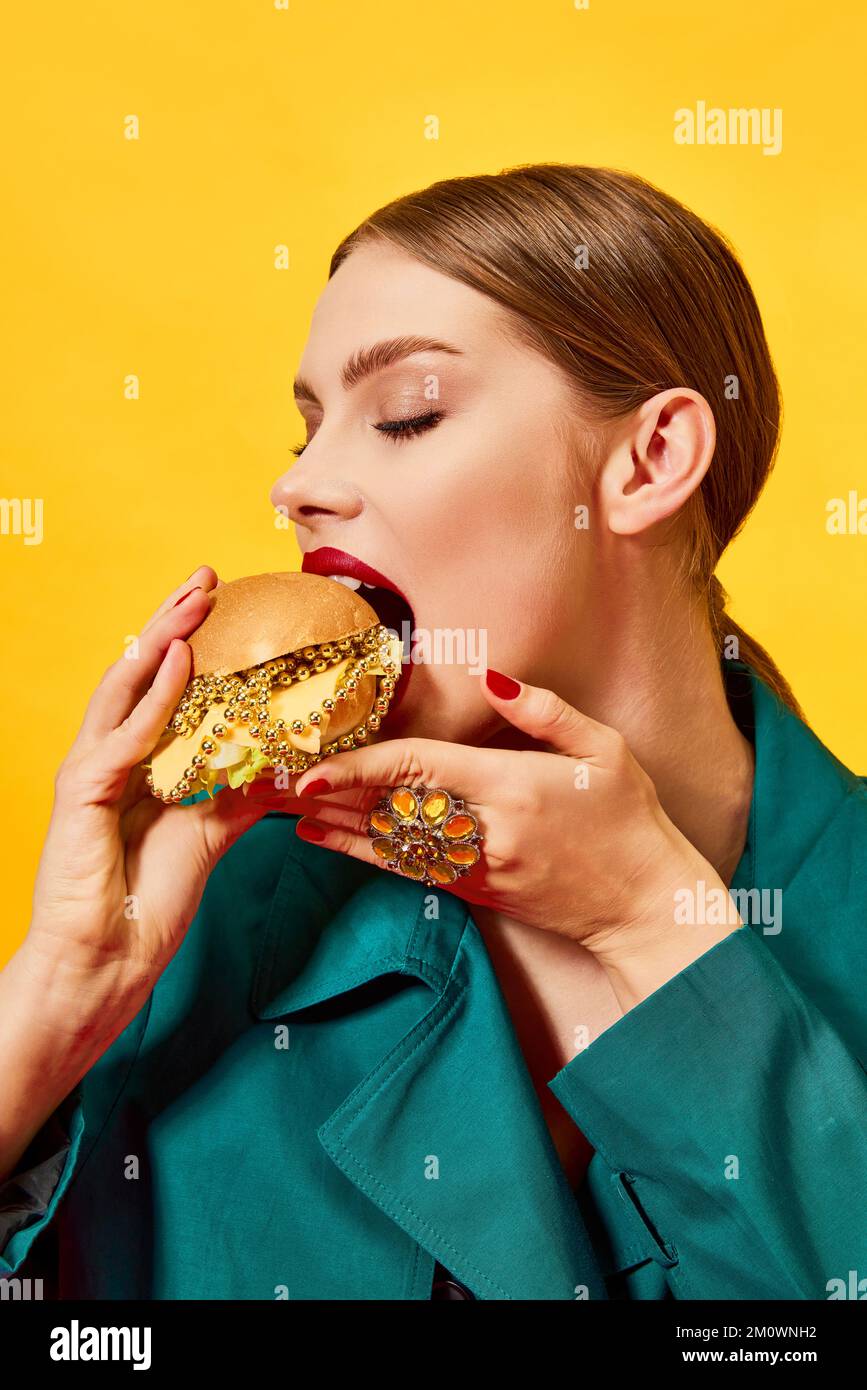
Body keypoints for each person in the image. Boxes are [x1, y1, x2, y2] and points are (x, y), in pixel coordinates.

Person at [1, 164, 865, 1300]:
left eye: (406, 410)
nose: (295, 484)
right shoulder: (210, 913)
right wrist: (54, 1004)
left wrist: (656, 930)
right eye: (308, 429)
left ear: (652, 460)